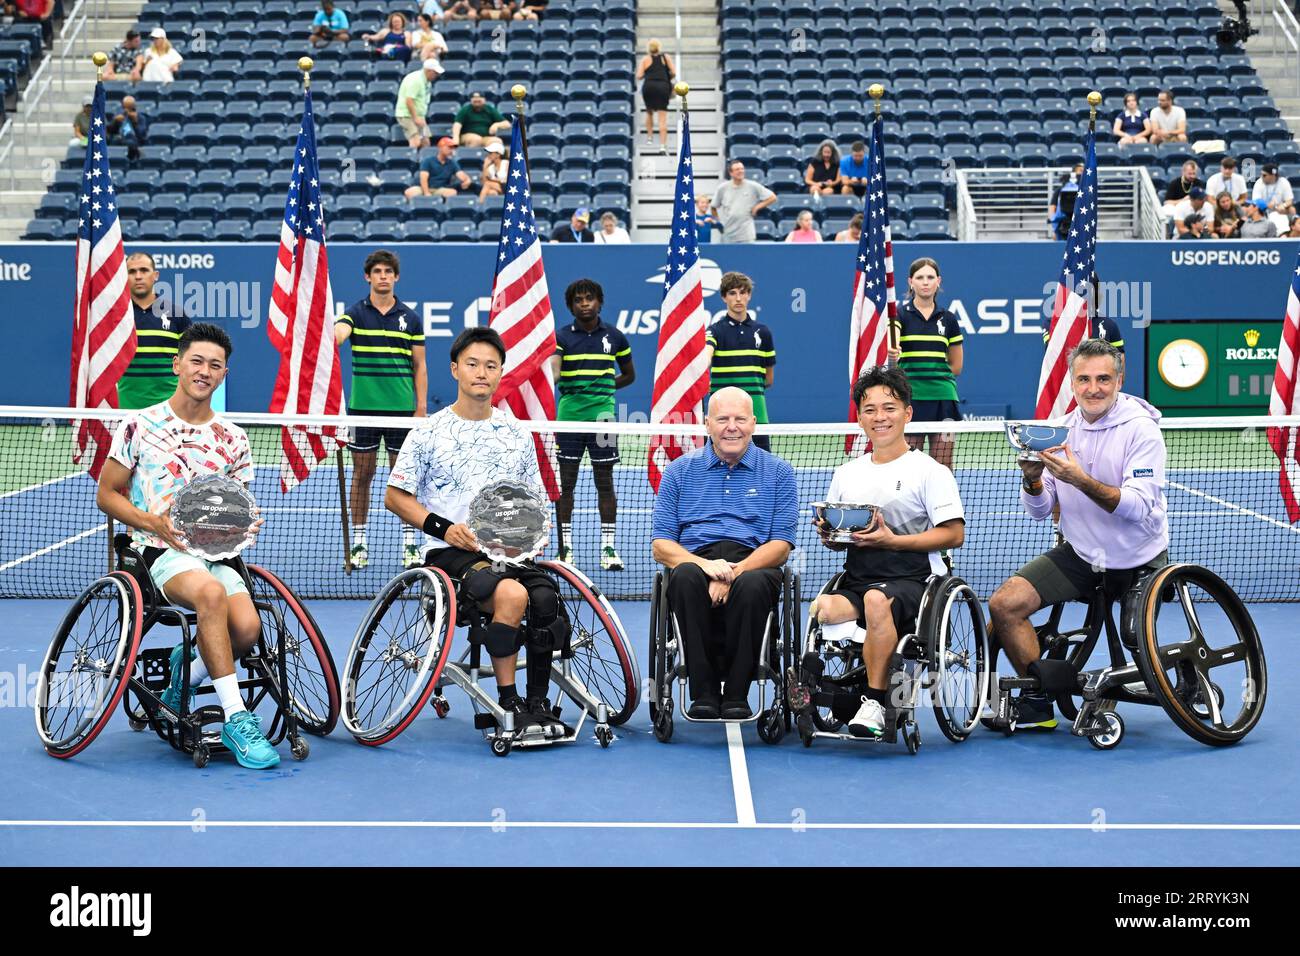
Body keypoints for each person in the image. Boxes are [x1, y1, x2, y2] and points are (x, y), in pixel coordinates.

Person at [96, 323, 278, 770]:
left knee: (248, 630)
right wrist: (153, 522)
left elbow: (234, 506)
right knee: (210, 596)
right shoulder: (139, 425)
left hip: (215, 556)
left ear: (223, 374)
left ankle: (188, 670)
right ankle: (237, 719)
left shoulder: (234, 438)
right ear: (178, 364)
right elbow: (108, 494)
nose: (204, 371)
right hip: (159, 553)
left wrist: (244, 524)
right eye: (196, 361)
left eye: (214, 365)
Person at [385, 326, 567, 731]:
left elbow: (534, 500)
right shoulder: (428, 431)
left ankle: (537, 700)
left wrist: (531, 538)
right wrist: (444, 528)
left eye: (490, 365)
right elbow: (395, 497)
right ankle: (508, 701)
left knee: (545, 599)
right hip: (453, 553)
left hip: (509, 550)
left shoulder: (516, 433)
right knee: (513, 595)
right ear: (455, 370)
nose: (481, 372)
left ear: (501, 372)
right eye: (472, 364)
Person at [987, 338, 1168, 731]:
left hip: (1139, 558)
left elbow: (1138, 509)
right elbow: (1039, 513)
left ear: (1119, 380)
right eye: (1083, 379)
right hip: (1083, 555)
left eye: (1103, 378)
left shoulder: (1142, 431)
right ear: (1072, 382)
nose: (1093, 388)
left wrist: (1082, 482)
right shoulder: (1061, 430)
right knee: (1004, 605)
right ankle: (1038, 702)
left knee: (1136, 640)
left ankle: (1184, 677)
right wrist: (1033, 481)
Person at [806, 365, 966, 738]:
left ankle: (876, 702)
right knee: (822, 609)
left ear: (908, 413)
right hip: (859, 575)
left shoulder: (931, 471)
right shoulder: (847, 473)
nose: (880, 417)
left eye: (889, 407)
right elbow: (841, 534)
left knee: (878, 601)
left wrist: (892, 541)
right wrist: (830, 536)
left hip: (914, 579)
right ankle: (812, 694)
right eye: (870, 409)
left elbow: (954, 534)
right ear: (860, 417)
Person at [650, 387, 799, 719]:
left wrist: (733, 572)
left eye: (740, 419)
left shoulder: (779, 472)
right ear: (707, 424)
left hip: (755, 560)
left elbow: (781, 547)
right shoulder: (677, 472)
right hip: (696, 560)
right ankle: (702, 692)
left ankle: (736, 693)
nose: (732, 427)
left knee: (754, 585)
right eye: (722, 419)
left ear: (754, 423)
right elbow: (661, 546)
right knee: (686, 577)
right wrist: (707, 567)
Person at [334, 250, 427, 569]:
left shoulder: (410, 318)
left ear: (396, 277)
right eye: (377, 271)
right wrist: (325, 332)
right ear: (368, 277)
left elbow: (420, 366)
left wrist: (420, 409)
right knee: (363, 475)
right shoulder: (355, 314)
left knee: (403, 480)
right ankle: (359, 544)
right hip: (363, 410)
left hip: (402, 411)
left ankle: (411, 545)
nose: (383, 276)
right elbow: (338, 336)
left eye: (388, 271)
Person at [550, 279, 635, 570]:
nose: (584, 303)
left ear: (599, 301)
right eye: (578, 300)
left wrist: (604, 387)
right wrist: (553, 375)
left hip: (602, 419)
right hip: (570, 420)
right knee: (566, 486)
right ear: (571, 306)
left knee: (605, 484)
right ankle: (566, 550)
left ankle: (608, 549)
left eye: (589, 298)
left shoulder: (615, 337)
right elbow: (555, 371)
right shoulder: (561, 337)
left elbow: (629, 375)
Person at [888, 257, 962, 470]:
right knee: (911, 465)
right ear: (911, 282)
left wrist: (934, 373)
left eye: (930, 277)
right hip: (911, 398)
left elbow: (956, 365)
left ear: (938, 281)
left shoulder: (949, 319)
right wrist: (893, 355)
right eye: (920, 277)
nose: (925, 282)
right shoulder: (898, 316)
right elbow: (892, 358)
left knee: (943, 465)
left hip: (943, 400)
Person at [705, 271, 775, 452]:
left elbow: (769, 379)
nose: (738, 298)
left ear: (749, 295)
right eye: (732, 293)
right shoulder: (715, 331)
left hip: (756, 413)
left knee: (762, 466)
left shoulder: (763, 332)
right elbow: (706, 354)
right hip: (722, 415)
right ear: (723, 297)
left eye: (743, 293)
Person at [118, 252, 191, 409]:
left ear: (155, 275)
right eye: (131, 272)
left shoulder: (176, 313)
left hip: (170, 408)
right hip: (125, 409)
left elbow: (191, 358)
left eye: (144, 270)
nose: (138, 276)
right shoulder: (116, 315)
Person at [711, 160, 776, 243]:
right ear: (731, 173)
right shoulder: (722, 188)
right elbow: (713, 207)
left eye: (742, 169)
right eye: (737, 169)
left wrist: (757, 207)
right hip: (728, 234)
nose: (741, 171)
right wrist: (719, 221)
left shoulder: (753, 186)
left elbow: (772, 197)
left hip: (746, 235)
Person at [394, 57, 445, 149]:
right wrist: (416, 117)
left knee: (426, 142)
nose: (436, 75)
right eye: (435, 73)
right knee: (415, 141)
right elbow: (409, 100)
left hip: (419, 116)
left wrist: (420, 117)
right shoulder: (416, 80)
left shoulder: (427, 82)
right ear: (428, 71)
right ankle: (410, 162)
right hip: (407, 115)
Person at [636, 39, 675, 154]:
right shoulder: (665, 57)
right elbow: (674, 72)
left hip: (649, 87)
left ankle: (649, 137)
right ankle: (662, 146)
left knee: (649, 112)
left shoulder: (645, 59)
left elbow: (639, 76)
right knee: (662, 118)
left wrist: (648, 73)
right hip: (663, 87)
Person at [405, 135, 472, 198]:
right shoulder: (428, 160)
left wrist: (468, 180)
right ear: (441, 148)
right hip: (422, 188)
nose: (451, 150)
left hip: (439, 189)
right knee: (409, 192)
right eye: (449, 147)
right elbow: (423, 179)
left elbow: (461, 175)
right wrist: (426, 193)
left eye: (453, 148)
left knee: (452, 192)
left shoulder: (452, 163)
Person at [107, 95, 149, 161]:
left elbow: (141, 135)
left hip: (135, 142)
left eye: (130, 108)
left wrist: (135, 122)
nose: (127, 110)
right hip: (120, 142)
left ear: (134, 107)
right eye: (125, 108)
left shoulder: (141, 118)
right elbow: (110, 131)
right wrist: (115, 122)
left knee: (131, 143)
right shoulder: (119, 116)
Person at [1048, 163, 1083, 240]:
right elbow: (1052, 209)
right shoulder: (1059, 190)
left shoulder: (1084, 191)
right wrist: (1054, 229)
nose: (1082, 174)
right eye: (1080, 171)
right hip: (1062, 226)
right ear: (1074, 173)